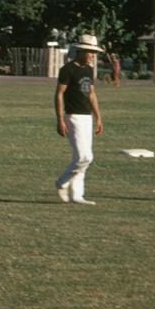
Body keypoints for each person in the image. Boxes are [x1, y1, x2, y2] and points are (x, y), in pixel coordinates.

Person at [53, 34, 104, 204]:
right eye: (90, 52)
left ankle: (77, 195)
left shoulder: (89, 69)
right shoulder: (67, 69)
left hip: (86, 117)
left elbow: (91, 93)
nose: (92, 55)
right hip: (72, 116)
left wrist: (98, 117)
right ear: (81, 51)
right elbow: (59, 94)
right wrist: (60, 120)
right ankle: (61, 182)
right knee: (85, 157)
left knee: (80, 157)